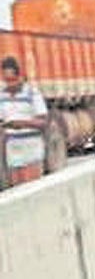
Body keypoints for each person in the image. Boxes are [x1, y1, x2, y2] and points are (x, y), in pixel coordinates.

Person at [0, 55, 47, 187]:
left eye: (12, 80)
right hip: (13, 152)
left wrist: (21, 124)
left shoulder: (32, 93)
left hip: (32, 151)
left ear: (19, 76)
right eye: (6, 80)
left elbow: (43, 122)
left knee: (32, 189)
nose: (10, 84)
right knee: (17, 192)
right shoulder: (2, 96)